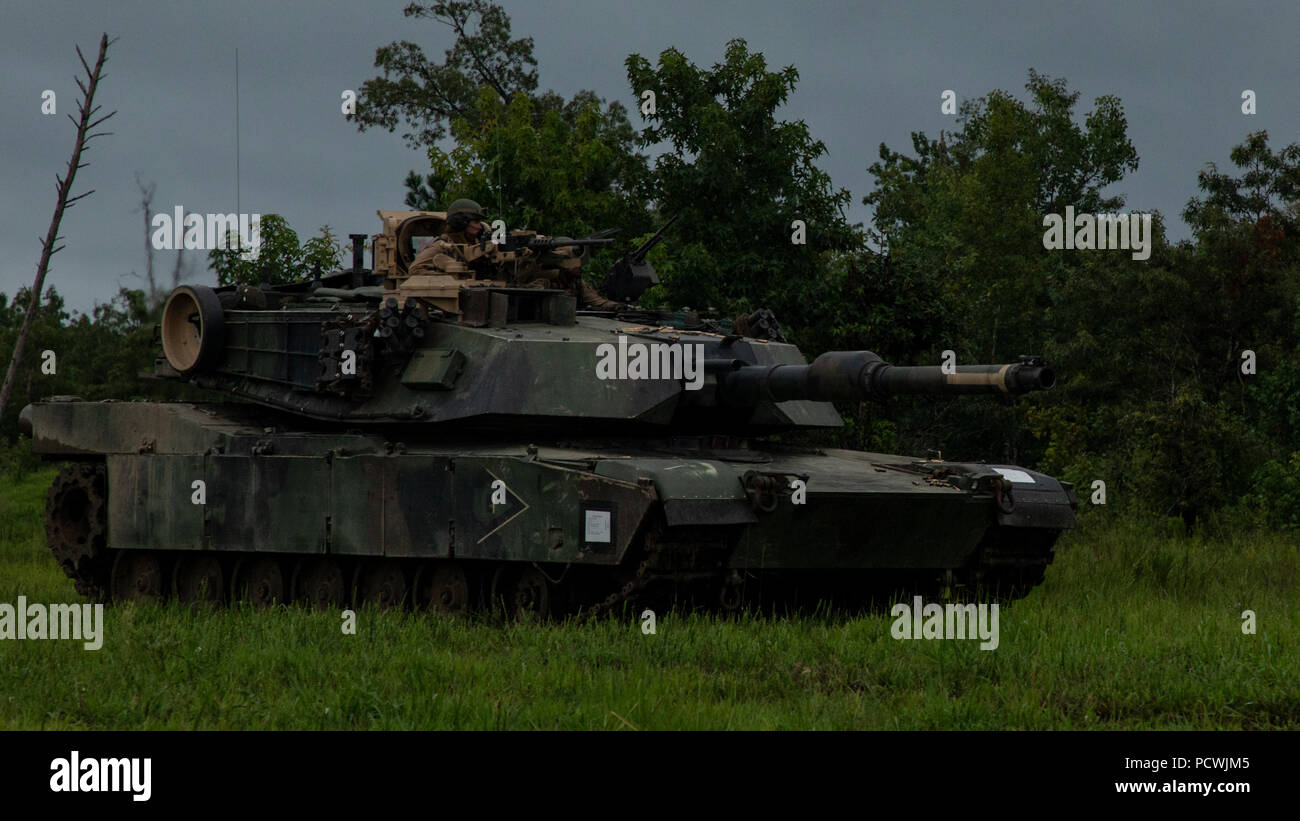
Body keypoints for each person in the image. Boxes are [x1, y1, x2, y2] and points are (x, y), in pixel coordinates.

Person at [408, 198, 506, 279]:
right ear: (461, 222)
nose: (480, 227)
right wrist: (450, 278)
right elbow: (415, 269)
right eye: (476, 222)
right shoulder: (442, 246)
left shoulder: (477, 246)